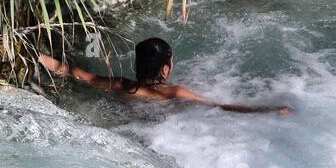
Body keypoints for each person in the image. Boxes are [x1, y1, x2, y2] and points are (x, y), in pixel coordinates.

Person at [38, 37, 292, 113]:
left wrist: (36, 56)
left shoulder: (121, 86)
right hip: (164, 135)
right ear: (166, 68)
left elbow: (77, 74)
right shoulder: (175, 93)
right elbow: (219, 106)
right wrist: (267, 110)